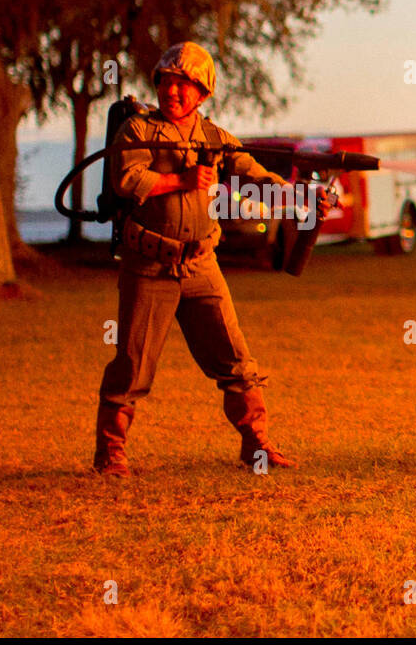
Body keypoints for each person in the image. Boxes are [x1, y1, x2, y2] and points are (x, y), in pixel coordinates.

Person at [93, 41, 331, 477]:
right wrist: (181, 179)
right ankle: (111, 453)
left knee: (237, 361)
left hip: (202, 265)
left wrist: (303, 194)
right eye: (168, 82)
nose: (174, 92)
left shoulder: (215, 138)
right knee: (132, 364)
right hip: (149, 263)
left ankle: (256, 447)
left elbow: (253, 174)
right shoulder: (136, 131)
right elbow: (127, 180)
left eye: (185, 85)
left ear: (202, 94)